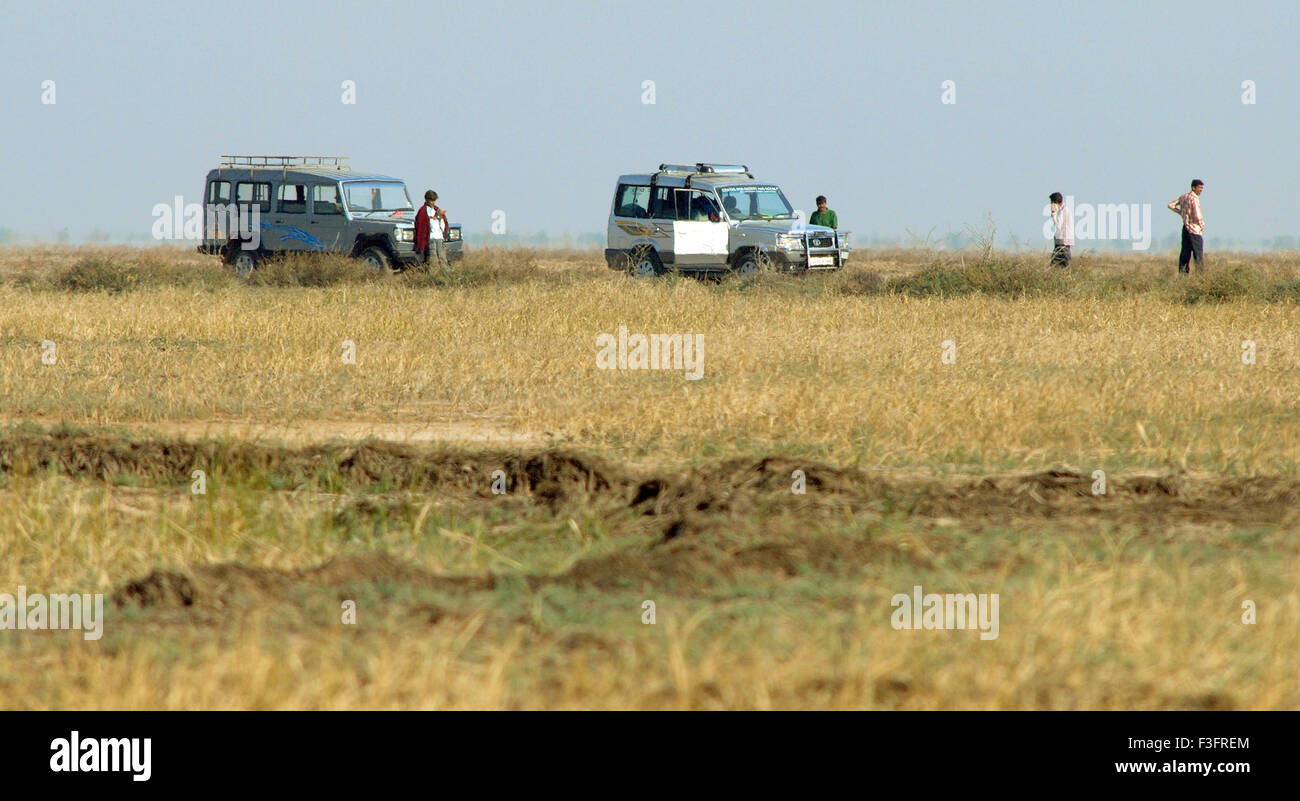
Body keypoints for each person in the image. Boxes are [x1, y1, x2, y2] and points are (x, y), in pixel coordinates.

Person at [1168, 179, 1205, 274]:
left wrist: (1181, 212)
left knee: (1185, 254)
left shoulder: (1183, 197)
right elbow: (1197, 214)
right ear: (1193, 187)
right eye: (1199, 188)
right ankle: (1201, 276)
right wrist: (1201, 224)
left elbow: (1171, 205)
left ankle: (1183, 276)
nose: (1201, 190)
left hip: (1185, 228)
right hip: (1194, 229)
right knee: (1198, 255)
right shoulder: (1194, 198)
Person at [414, 189, 450, 267]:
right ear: (426, 200)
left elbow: (443, 223)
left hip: (439, 237)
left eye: (434, 200)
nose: (433, 202)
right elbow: (421, 225)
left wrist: (440, 217)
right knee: (433, 259)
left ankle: (445, 274)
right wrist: (434, 217)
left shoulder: (436, 209)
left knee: (442, 257)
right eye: (431, 200)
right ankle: (434, 275)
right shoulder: (423, 211)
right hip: (431, 238)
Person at [1049, 192, 1073, 267]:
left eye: (1052, 203)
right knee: (1059, 266)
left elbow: (1058, 225)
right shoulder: (1063, 210)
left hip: (1063, 243)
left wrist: (1053, 214)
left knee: (1062, 265)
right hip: (1062, 242)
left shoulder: (1063, 211)